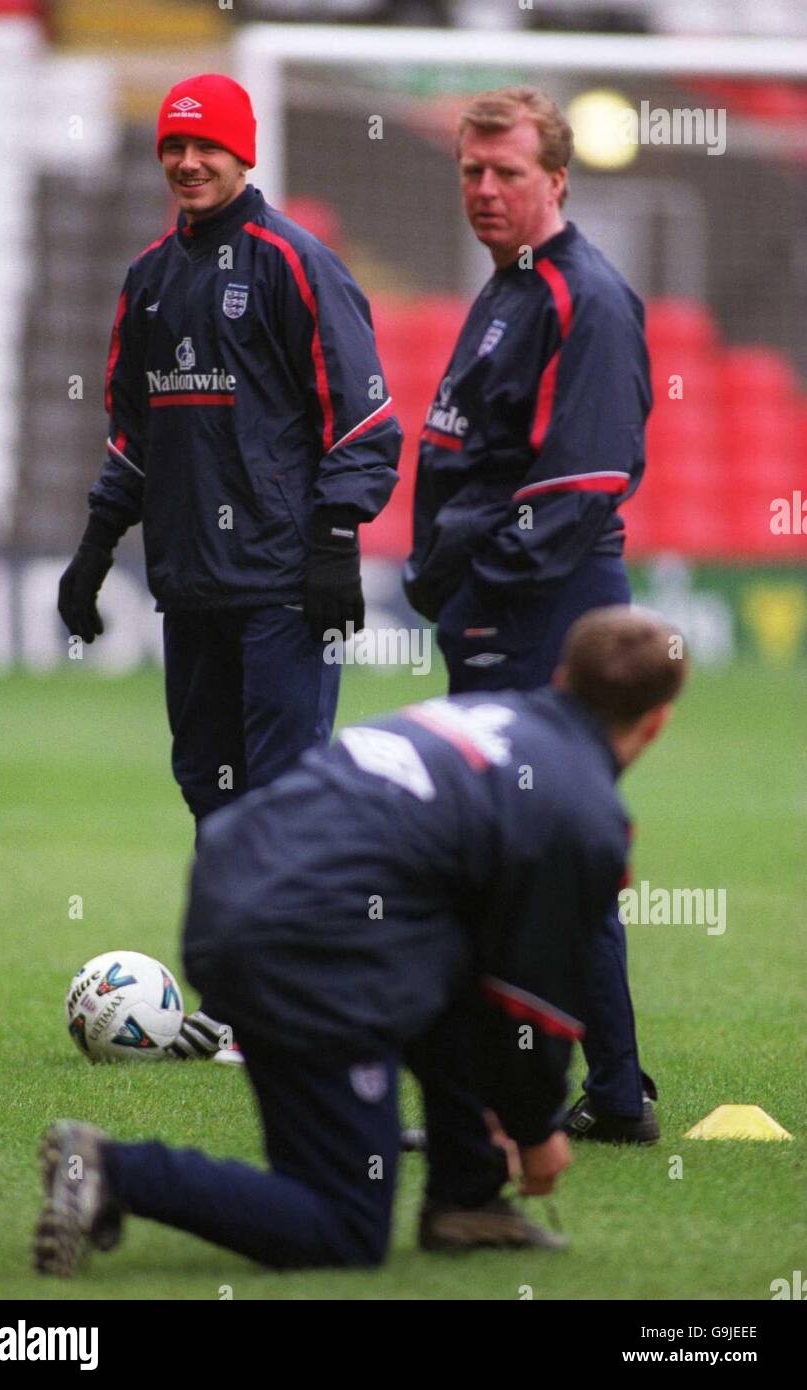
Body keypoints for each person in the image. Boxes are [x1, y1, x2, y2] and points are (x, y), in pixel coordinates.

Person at [33, 608, 688, 1277]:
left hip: (235, 889)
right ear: (658, 721)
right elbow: (533, 1001)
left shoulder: (486, 715)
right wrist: (536, 1129)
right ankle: (110, 1168)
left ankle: (467, 1197)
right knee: (344, 1225)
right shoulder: (582, 813)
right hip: (309, 939)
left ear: (561, 675)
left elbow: (484, 976)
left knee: (459, 958)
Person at [56, 74, 401, 1059]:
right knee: (213, 795)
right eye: (173, 146)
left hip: (284, 587)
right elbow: (132, 432)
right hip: (191, 587)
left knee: (282, 798)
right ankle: (236, 1000)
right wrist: (93, 550)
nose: (188, 161)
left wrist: (335, 538)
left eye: (206, 146)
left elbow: (368, 418)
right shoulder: (149, 279)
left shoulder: (297, 264)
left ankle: (294, 1005)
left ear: (243, 153)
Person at [403, 87, 655, 1141]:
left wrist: (470, 590)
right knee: (542, 853)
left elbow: (577, 485)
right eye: (470, 170)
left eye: (506, 171)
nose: (485, 189)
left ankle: (530, 1107)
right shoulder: (508, 287)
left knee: (520, 856)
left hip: (541, 611)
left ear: (555, 177)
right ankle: (605, 1095)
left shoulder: (579, 296)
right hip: (502, 609)